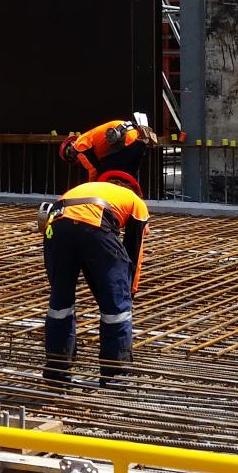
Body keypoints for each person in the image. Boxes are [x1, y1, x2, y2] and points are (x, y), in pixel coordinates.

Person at [42, 169, 149, 385]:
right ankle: (114, 375)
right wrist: (129, 290)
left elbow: (64, 227)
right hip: (94, 229)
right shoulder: (135, 201)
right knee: (116, 309)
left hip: (55, 231)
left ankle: (57, 370)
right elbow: (133, 252)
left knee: (60, 303)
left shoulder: (82, 189)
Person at [58, 113, 158, 183]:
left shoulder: (79, 145)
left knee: (106, 174)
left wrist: (91, 188)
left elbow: (93, 170)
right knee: (127, 179)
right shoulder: (90, 139)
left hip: (126, 139)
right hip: (139, 138)